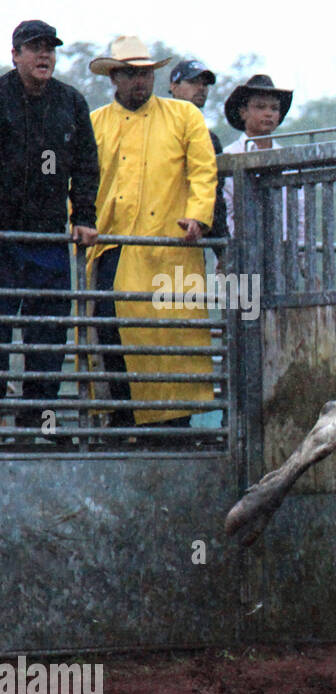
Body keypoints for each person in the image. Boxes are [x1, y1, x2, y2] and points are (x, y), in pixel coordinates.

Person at [87, 35, 217, 429]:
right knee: (111, 337)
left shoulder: (184, 117)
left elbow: (203, 172)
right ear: (114, 77)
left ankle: (170, 432)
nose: (139, 81)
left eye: (144, 73)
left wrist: (197, 217)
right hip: (111, 249)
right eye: (129, 73)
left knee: (168, 342)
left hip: (166, 247)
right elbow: (79, 180)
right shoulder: (96, 122)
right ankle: (122, 424)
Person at [0, 20, 98, 435]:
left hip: (47, 238)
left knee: (49, 338)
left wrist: (85, 217)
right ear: (15, 55)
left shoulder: (70, 103)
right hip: (2, 238)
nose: (44, 55)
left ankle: (39, 426)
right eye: (34, 48)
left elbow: (86, 164)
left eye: (49, 49)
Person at [220, 73, 294, 239]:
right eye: (260, 107)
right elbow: (225, 210)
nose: (268, 113)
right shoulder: (229, 156)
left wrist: (300, 251)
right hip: (241, 251)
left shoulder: (287, 159)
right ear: (243, 112)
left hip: (282, 253)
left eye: (274, 108)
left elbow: (298, 210)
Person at [169, 59, 227, 248]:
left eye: (205, 84)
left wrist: (220, 246)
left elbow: (215, 197)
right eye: (193, 82)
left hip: (190, 232)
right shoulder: (157, 130)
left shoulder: (210, 139)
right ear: (174, 86)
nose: (201, 88)